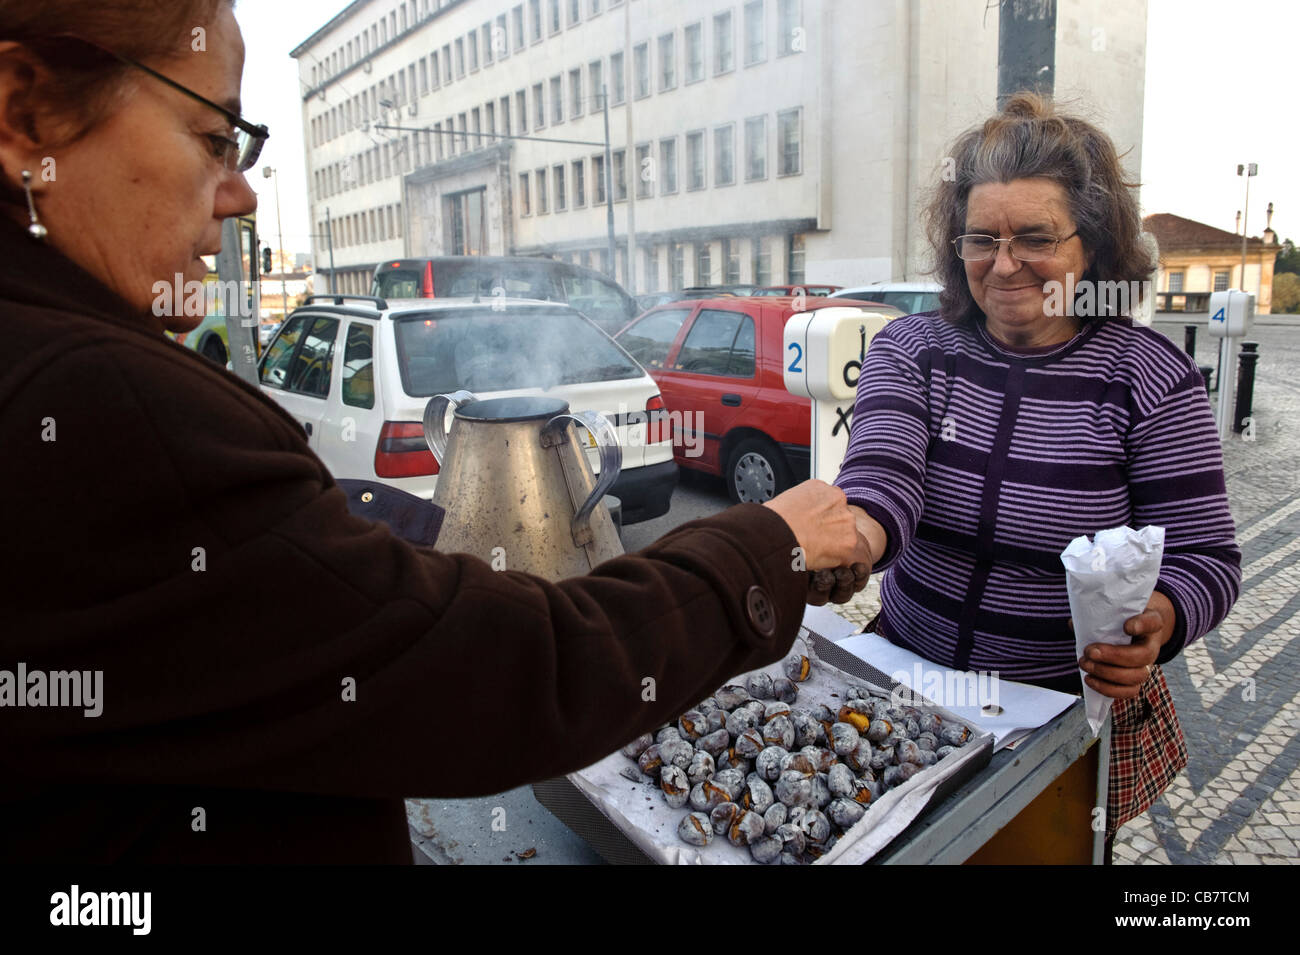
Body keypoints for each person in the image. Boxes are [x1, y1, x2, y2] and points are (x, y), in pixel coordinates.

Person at [0, 0, 870, 863]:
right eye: (212, 137)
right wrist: (769, 544)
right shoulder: (95, 393)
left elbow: (237, 597)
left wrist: (358, 527)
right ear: (25, 114)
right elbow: (505, 674)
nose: (237, 193)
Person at [836, 93, 1241, 861]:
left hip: (1055, 721)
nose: (1005, 262)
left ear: (1090, 246)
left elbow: (1207, 558)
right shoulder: (912, 349)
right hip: (906, 688)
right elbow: (883, 476)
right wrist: (854, 535)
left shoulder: (1151, 379)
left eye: (1034, 237)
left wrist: (1161, 615)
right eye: (982, 238)